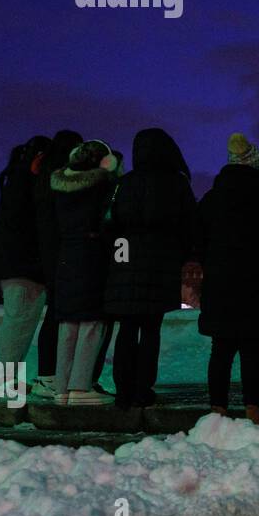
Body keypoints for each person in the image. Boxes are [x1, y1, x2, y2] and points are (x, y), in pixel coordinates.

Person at [195, 133, 259, 424]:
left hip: (221, 283)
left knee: (222, 348)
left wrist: (213, 266)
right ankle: (253, 412)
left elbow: (198, 239)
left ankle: (217, 412)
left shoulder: (212, 198)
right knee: (254, 349)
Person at [104, 128, 196, 410]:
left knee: (128, 328)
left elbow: (111, 222)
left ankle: (123, 390)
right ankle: (143, 389)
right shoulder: (176, 184)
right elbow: (190, 225)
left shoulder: (124, 183)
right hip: (160, 267)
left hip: (125, 267)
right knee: (151, 329)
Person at [49, 139, 123, 405]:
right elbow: (111, 221)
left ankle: (62, 388)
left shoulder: (60, 188)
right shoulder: (104, 185)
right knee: (92, 321)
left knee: (68, 324)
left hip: (66, 256)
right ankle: (81, 386)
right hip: (93, 256)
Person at [0, 136, 51, 398]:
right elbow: (25, 228)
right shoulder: (25, 185)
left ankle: (6, 379)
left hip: (17, 267)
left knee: (19, 321)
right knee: (20, 322)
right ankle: (5, 381)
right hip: (23, 268)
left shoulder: (16, 181)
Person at [30, 129, 83, 399]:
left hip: (49, 253)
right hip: (61, 252)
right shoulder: (61, 179)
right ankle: (47, 375)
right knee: (57, 314)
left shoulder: (43, 179)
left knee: (55, 312)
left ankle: (48, 374)